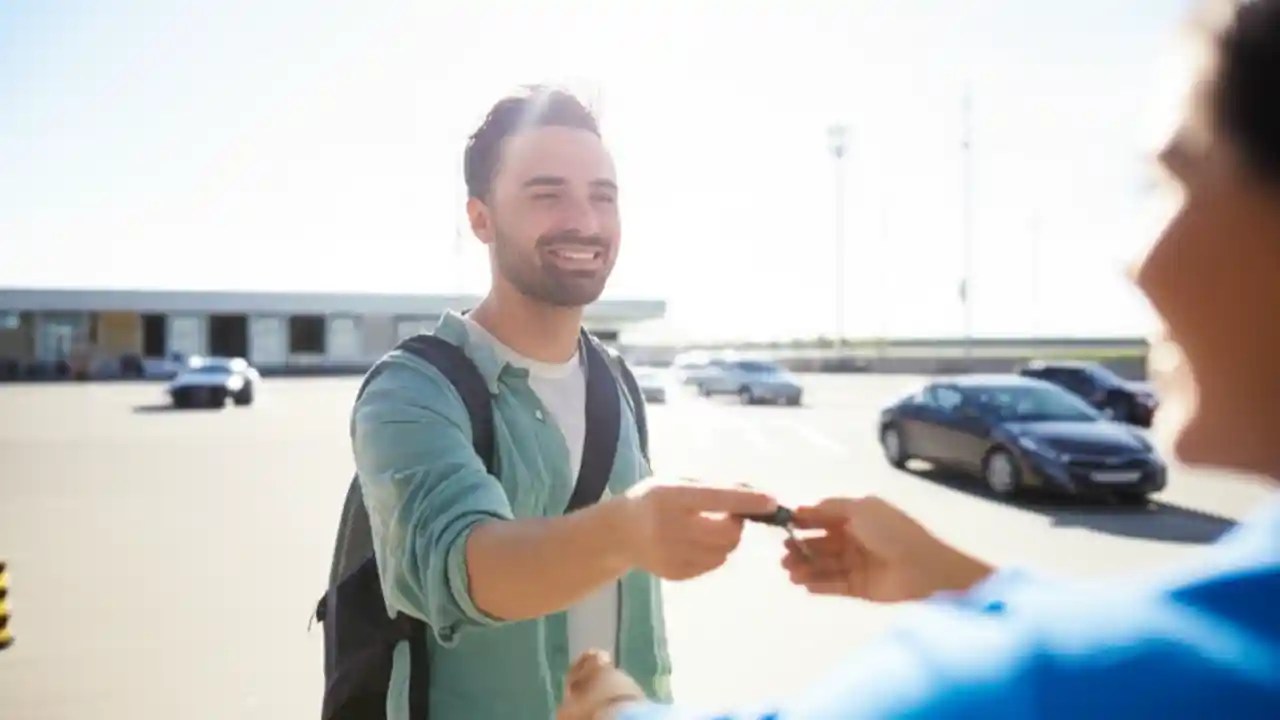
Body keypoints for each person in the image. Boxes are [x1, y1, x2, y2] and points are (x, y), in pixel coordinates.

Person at [558, 1, 1280, 717]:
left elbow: (1104, 672)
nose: (1140, 264)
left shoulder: (1029, 682)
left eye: (1176, 181)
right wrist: (952, 574)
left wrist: (611, 704)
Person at [352, 86, 777, 720]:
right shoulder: (412, 389)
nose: (584, 221)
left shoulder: (620, 384)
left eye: (602, 196)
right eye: (547, 194)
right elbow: (465, 570)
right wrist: (626, 530)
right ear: (481, 218)